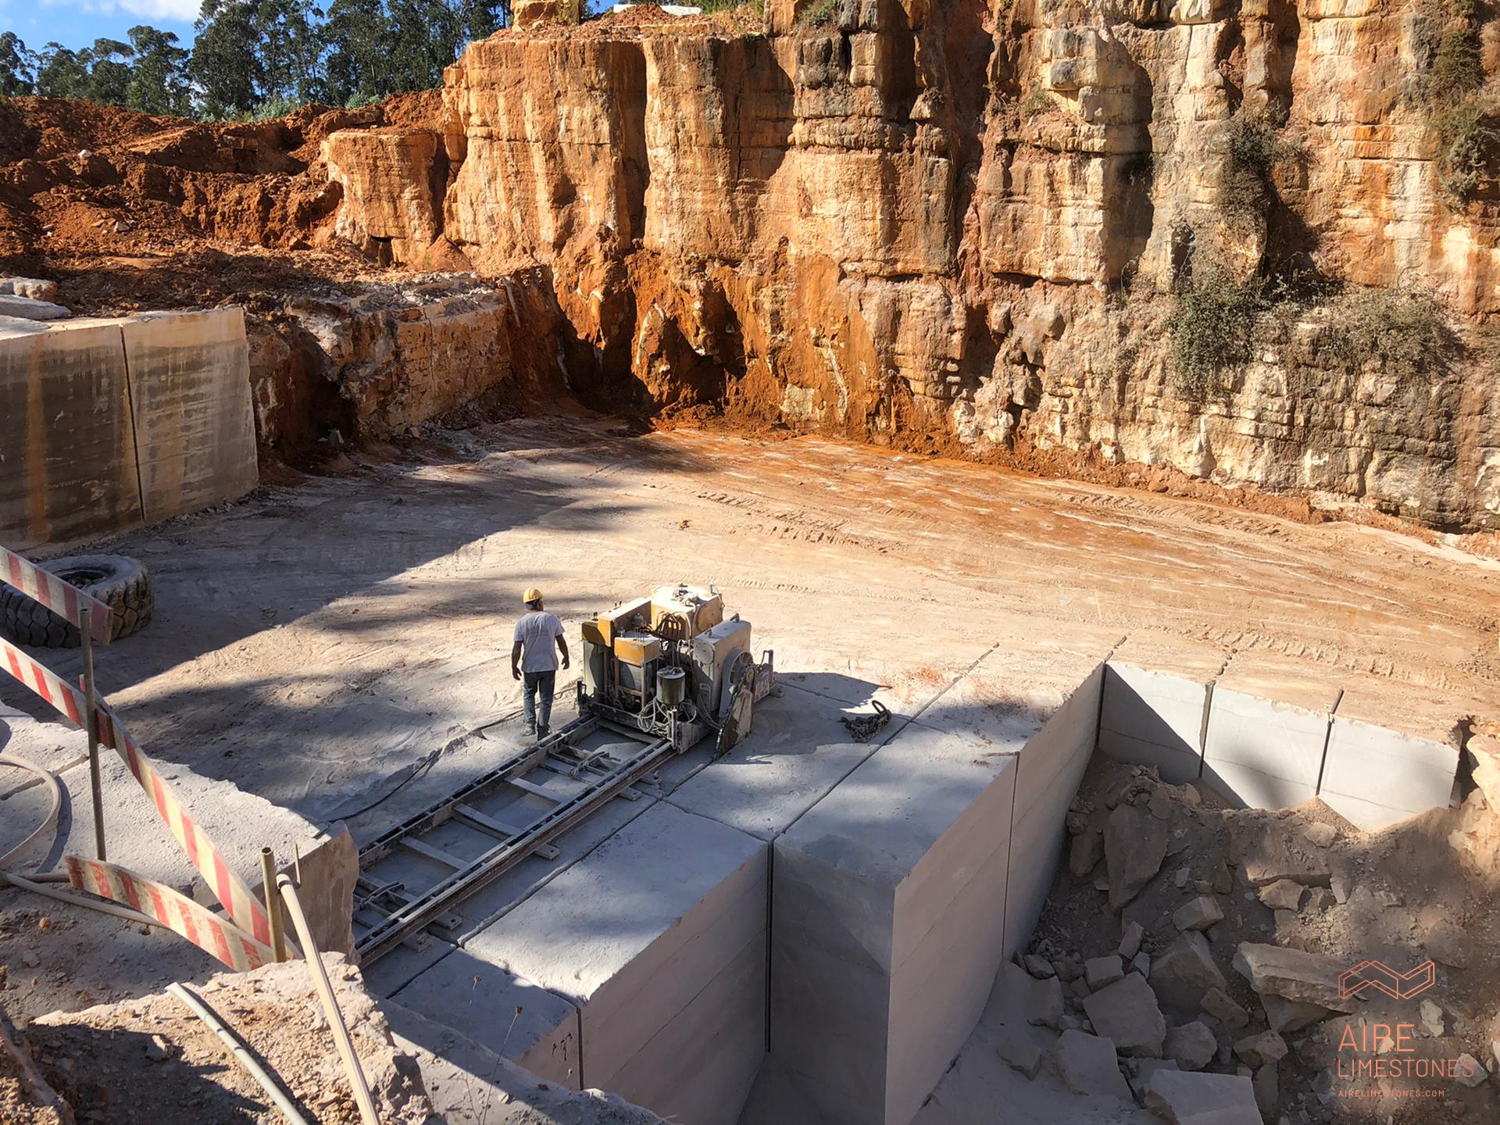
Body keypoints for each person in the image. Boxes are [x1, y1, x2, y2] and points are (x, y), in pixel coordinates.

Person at [512, 587, 569, 738]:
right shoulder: (551, 619)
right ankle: (543, 728)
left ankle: (529, 725)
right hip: (548, 665)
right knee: (546, 698)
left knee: (529, 694)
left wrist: (514, 666)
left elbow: (517, 648)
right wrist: (566, 656)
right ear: (538, 603)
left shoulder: (521, 623)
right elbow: (561, 640)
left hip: (530, 666)